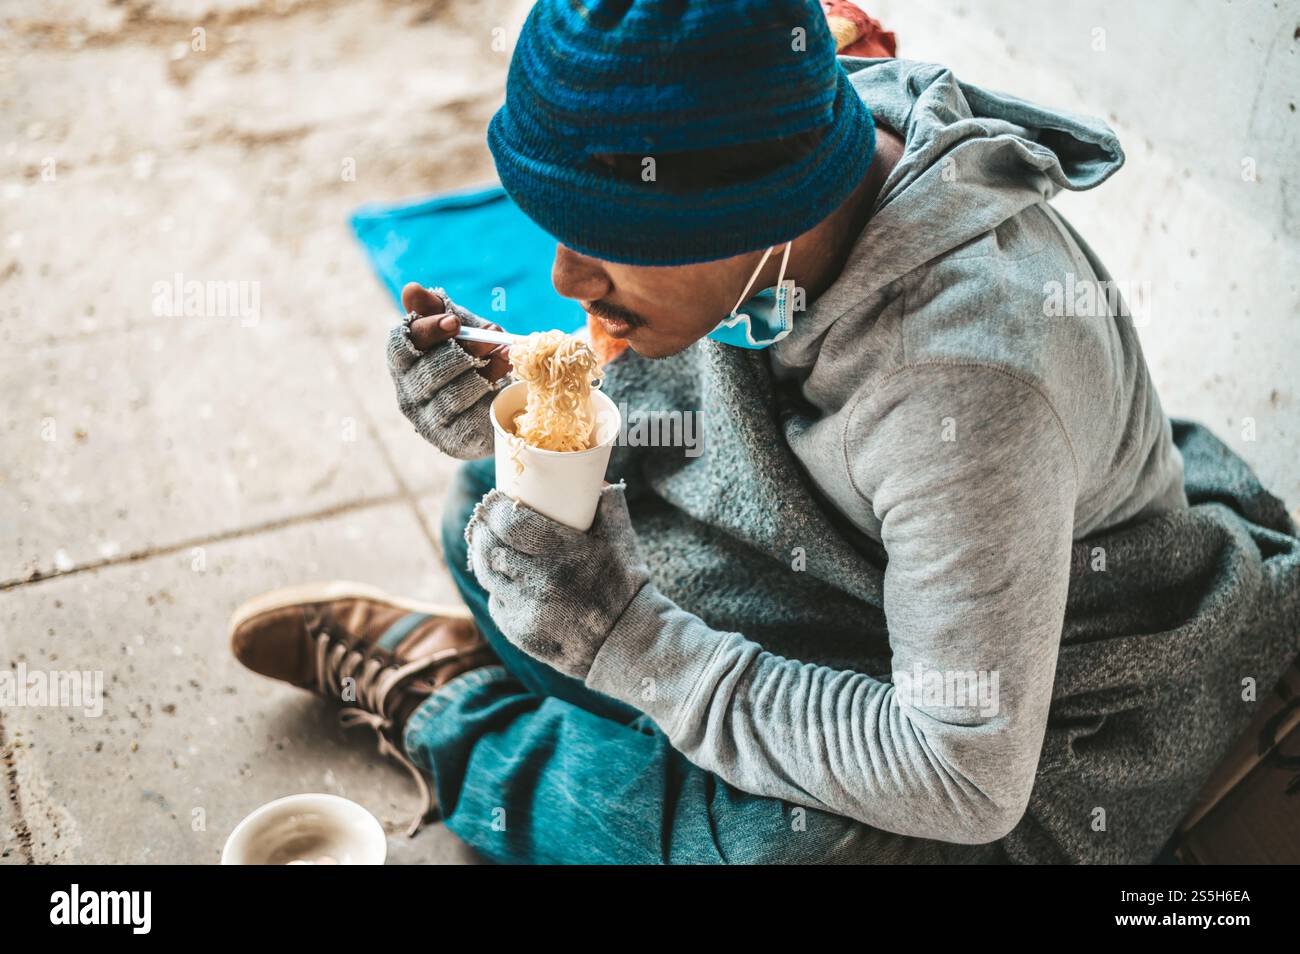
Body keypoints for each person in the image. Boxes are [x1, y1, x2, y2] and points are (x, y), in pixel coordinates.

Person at [228, 0, 1300, 863]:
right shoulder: (793, 165)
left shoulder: (967, 389)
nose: (564, 279)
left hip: (1040, 692)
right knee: (495, 509)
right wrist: (522, 398)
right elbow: (685, 394)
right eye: (557, 230)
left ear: (755, 219)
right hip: (841, 572)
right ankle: (600, 724)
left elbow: (965, 777)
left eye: (606, 241)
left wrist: (632, 645)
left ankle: (450, 708)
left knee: (786, 847)